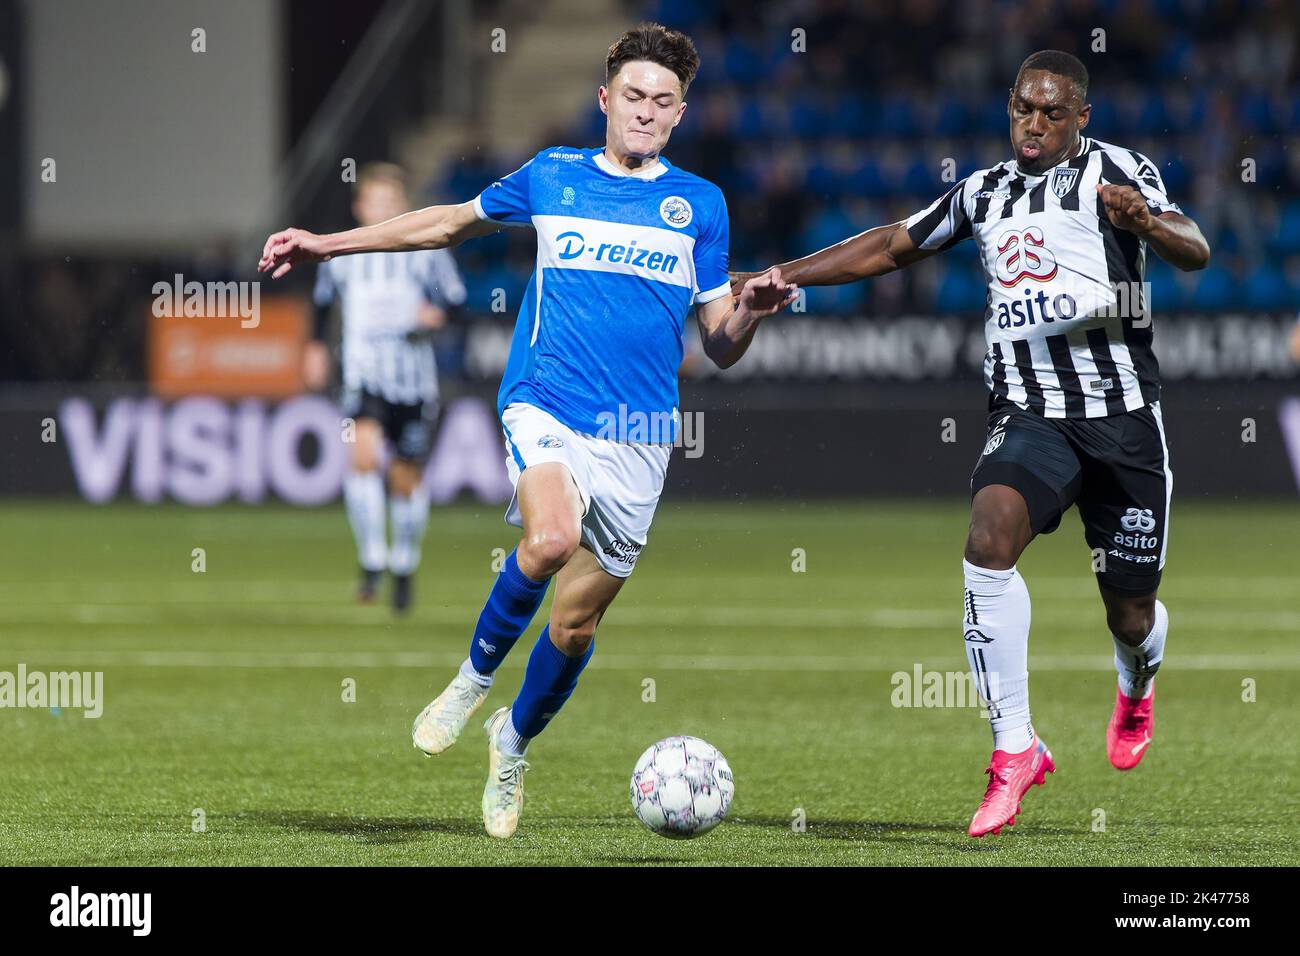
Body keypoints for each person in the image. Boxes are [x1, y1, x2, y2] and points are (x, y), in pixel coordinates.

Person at [260, 22, 796, 838]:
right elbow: (443, 223)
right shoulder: (553, 176)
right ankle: (470, 682)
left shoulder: (701, 206)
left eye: (664, 102)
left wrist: (750, 311)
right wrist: (328, 246)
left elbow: (719, 344)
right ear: (604, 99)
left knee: (574, 629)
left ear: (680, 114)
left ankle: (510, 744)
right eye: (635, 97)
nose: (647, 113)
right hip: (545, 401)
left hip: (642, 436)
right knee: (549, 539)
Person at [734, 50, 1209, 838]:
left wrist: (1148, 222)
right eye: (1024, 107)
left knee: (1130, 611)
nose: (1034, 123)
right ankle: (1015, 748)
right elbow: (893, 243)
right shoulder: (982, 192)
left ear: (1080, 118)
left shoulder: (1118, 172)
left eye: (1053, 112)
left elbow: (1194, 248)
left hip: (1124, 419)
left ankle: (1136, 678)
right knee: (988, 539)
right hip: (1029, 412)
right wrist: (788, 273)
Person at [307, 162, 466, 613]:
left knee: (404, 479)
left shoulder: (427, 251)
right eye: (375, 201)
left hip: (413, 377)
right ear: (360, 207)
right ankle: (372, 558)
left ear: (403, 206)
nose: (382, 209)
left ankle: (404, 562)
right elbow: (321, 304)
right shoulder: (341, 254)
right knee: (361, 456)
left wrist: (437, 317)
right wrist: (315, 348)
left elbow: (454, 300)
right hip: (362, 373)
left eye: (391, 202)